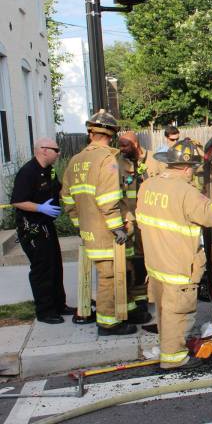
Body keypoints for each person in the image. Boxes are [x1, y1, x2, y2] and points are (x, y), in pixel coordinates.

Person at [136, 138, 212, 370]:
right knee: (178, 315)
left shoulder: (148, 186)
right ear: (187, 169)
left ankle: (166, 348)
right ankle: (174, 358)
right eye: (193, 170)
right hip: (179, 267)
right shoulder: (186, 192)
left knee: (165, 313)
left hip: (156, 265)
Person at [61, 110, 136, 335]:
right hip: (106, 231)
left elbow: (67, 198)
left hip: (89, 230)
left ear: (90, 133)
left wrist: (79, 224)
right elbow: (107, 199)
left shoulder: (75, 161)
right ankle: (108, 323)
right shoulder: (106, 159)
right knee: (109, 276)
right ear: (112, 135)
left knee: (120, 271)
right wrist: (117, 228)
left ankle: (126, 309)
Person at [10, 138, 75, 324]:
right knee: (42, 270)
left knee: (55, 266)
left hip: (47, 225)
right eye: (56, 150)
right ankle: (45, 312)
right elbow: (17, 201)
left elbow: (59, 189)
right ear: (44, 150)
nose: (59, 153)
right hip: (32, 228)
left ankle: (59, 305)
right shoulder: (28, 172)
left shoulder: (50, 171)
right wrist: (40, 208)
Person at [117, 132, 162, 324]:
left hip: (150, 221)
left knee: (149, 259)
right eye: (119, 145)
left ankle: (148, 296)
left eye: (125, 145)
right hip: (129, 221)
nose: (121, 149)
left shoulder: (155, 161)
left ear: (135, 144)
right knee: (132, 262)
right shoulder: (117, 163)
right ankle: (137, 300)